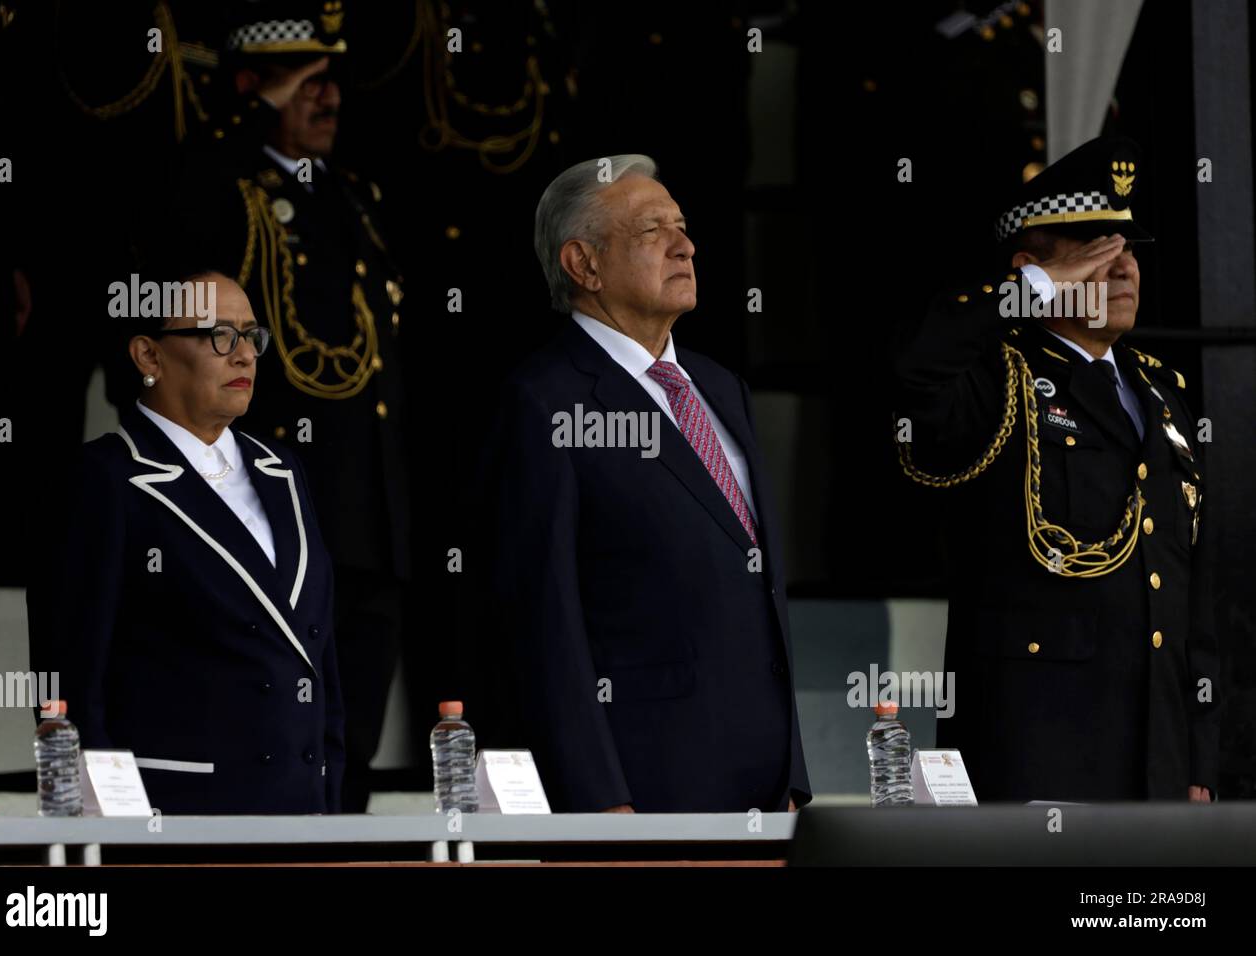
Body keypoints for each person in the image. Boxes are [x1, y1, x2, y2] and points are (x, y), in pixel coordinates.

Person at [473, 155, 812, 813]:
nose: (685, 245)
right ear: (584, 265)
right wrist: (599, 800)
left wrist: (792, 778)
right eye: (653, 231)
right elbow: (541, 621)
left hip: (763, 797)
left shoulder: (720, 388)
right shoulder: (542, 401)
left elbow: (757, 597)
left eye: (682, 227)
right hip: (640, 795)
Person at [892, 135, 1219, 802]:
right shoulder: (996, 378)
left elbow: (1193, 593)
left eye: (1127, 250)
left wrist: (1198, 762)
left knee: (1149, 912)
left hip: (1157, 757)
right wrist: (1034, 290)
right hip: (1038, 751)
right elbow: (915, 372)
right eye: (1094, 253)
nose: (1122, 268)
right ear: (1029, 272)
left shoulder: (1162, 390)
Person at [169, 0, 409, 812]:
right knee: (274, 746)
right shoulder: (221, 188)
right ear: (251, 90)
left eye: (332, 82)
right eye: (305, 84)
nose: (328, 99)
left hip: (373, 515)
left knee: (355, 749)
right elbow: (177, 196)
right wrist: (251, 111)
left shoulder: (356, 196)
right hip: (283, 510)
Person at [34, 271, 344, 814]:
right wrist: (106, 829)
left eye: (252, 336)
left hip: (302, 814)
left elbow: (321, 665)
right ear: (149, 356)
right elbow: (71, 682)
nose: (244, 355)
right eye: (219, 334)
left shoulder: (284, 469)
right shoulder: (104, 478)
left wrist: (330, 794)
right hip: (177, 816)